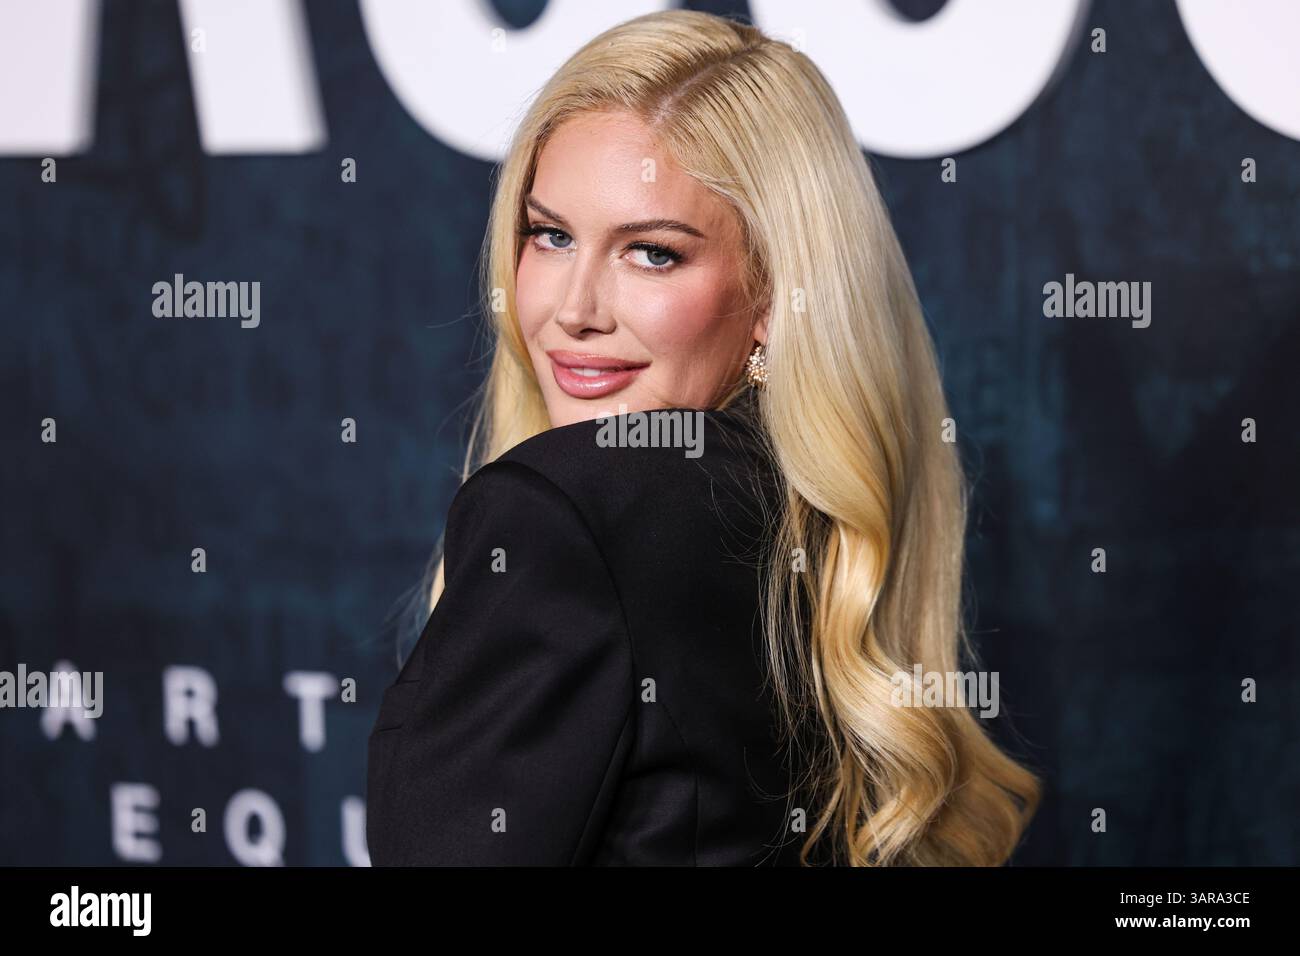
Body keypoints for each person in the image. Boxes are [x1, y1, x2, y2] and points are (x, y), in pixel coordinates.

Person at [366, 9, 1040, 866]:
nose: (572, 310)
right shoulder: (815, 519)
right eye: (552, 235)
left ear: (772, 297)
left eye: (651, 254)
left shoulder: (559, 514)